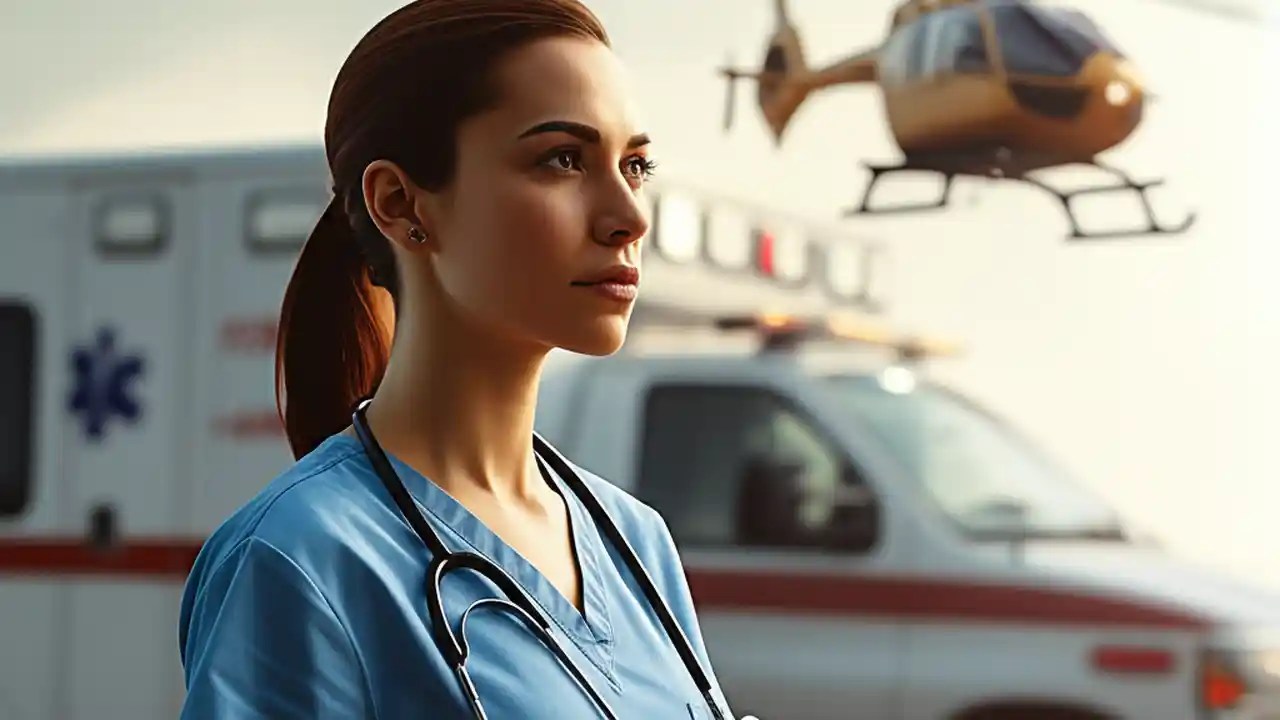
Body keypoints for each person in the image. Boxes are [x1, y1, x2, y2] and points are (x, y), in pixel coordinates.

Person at [176, 1, 735, 717]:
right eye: (563, 159)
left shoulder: (635, 543)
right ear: (401, 203)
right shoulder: (298, 557)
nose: (631, 215)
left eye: (635, 164)